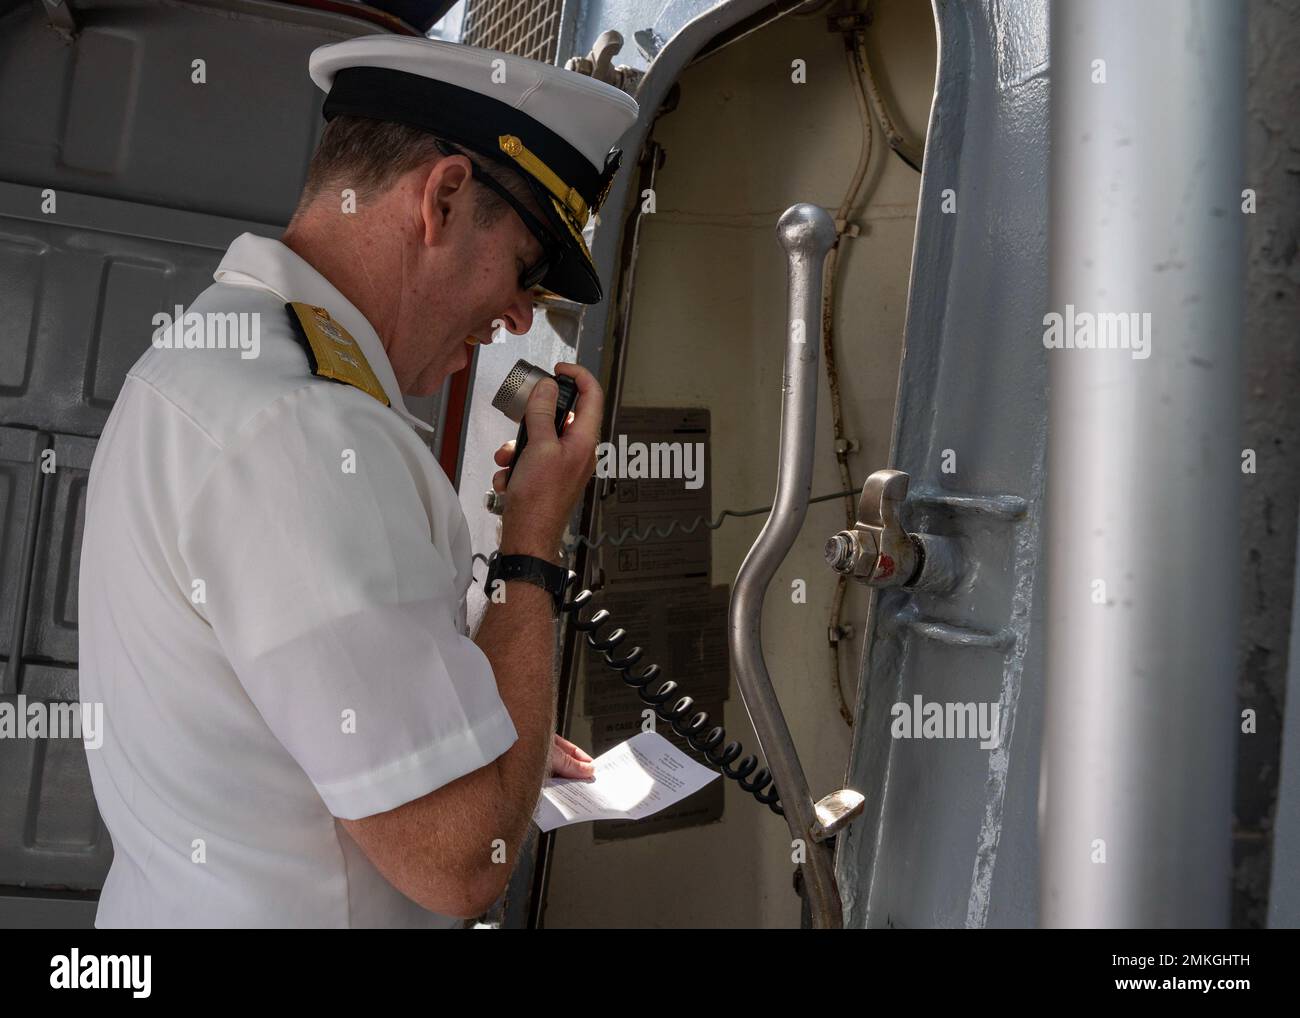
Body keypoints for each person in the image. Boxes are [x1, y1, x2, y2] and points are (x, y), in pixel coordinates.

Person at [76, 34, 639, 928]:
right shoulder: (305, 429)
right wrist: (532, 544)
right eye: (526, 265)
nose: (522, 313)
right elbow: (462, 860)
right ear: (443, 198)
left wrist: (470, 734)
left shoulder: (217, 360)